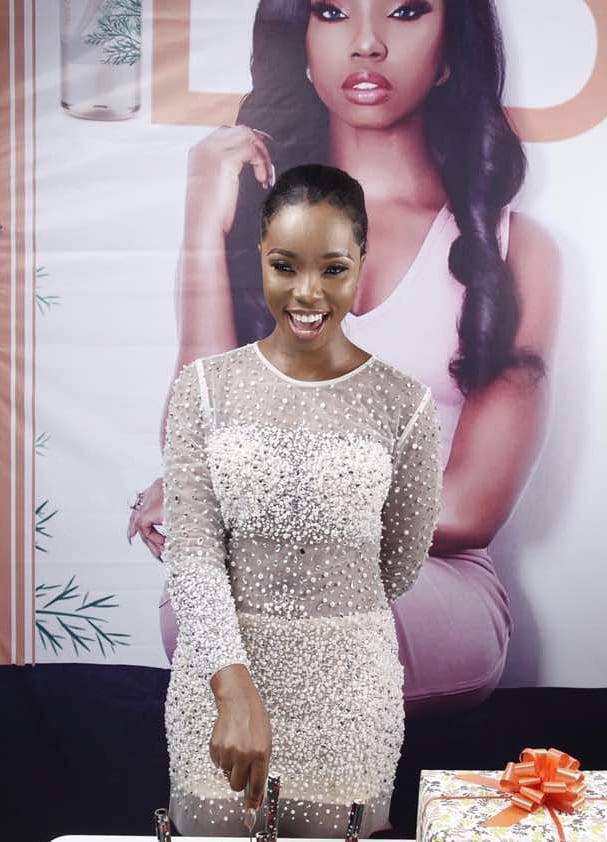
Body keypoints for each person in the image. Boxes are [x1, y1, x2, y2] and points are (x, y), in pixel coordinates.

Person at [128, 0, 561, 719]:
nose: (366, 43)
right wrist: (202, 223)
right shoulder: (254, 235)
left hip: (430, 587)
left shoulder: (515, 250)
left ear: (449, 49)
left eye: (405, 11)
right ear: (298, 43)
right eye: (332, 12)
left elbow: (467, 509)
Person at [161, 163, 443, 837]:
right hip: (219, 692)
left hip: (349, 704)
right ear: (260, 255)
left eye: (333, 269)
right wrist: (232, 683)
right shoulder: (204, 389)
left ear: (362, 262)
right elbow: (192, 552)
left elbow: (398, 565)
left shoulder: (405, 404)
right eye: (285, 266)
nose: (307, 292)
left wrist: (326, 618)